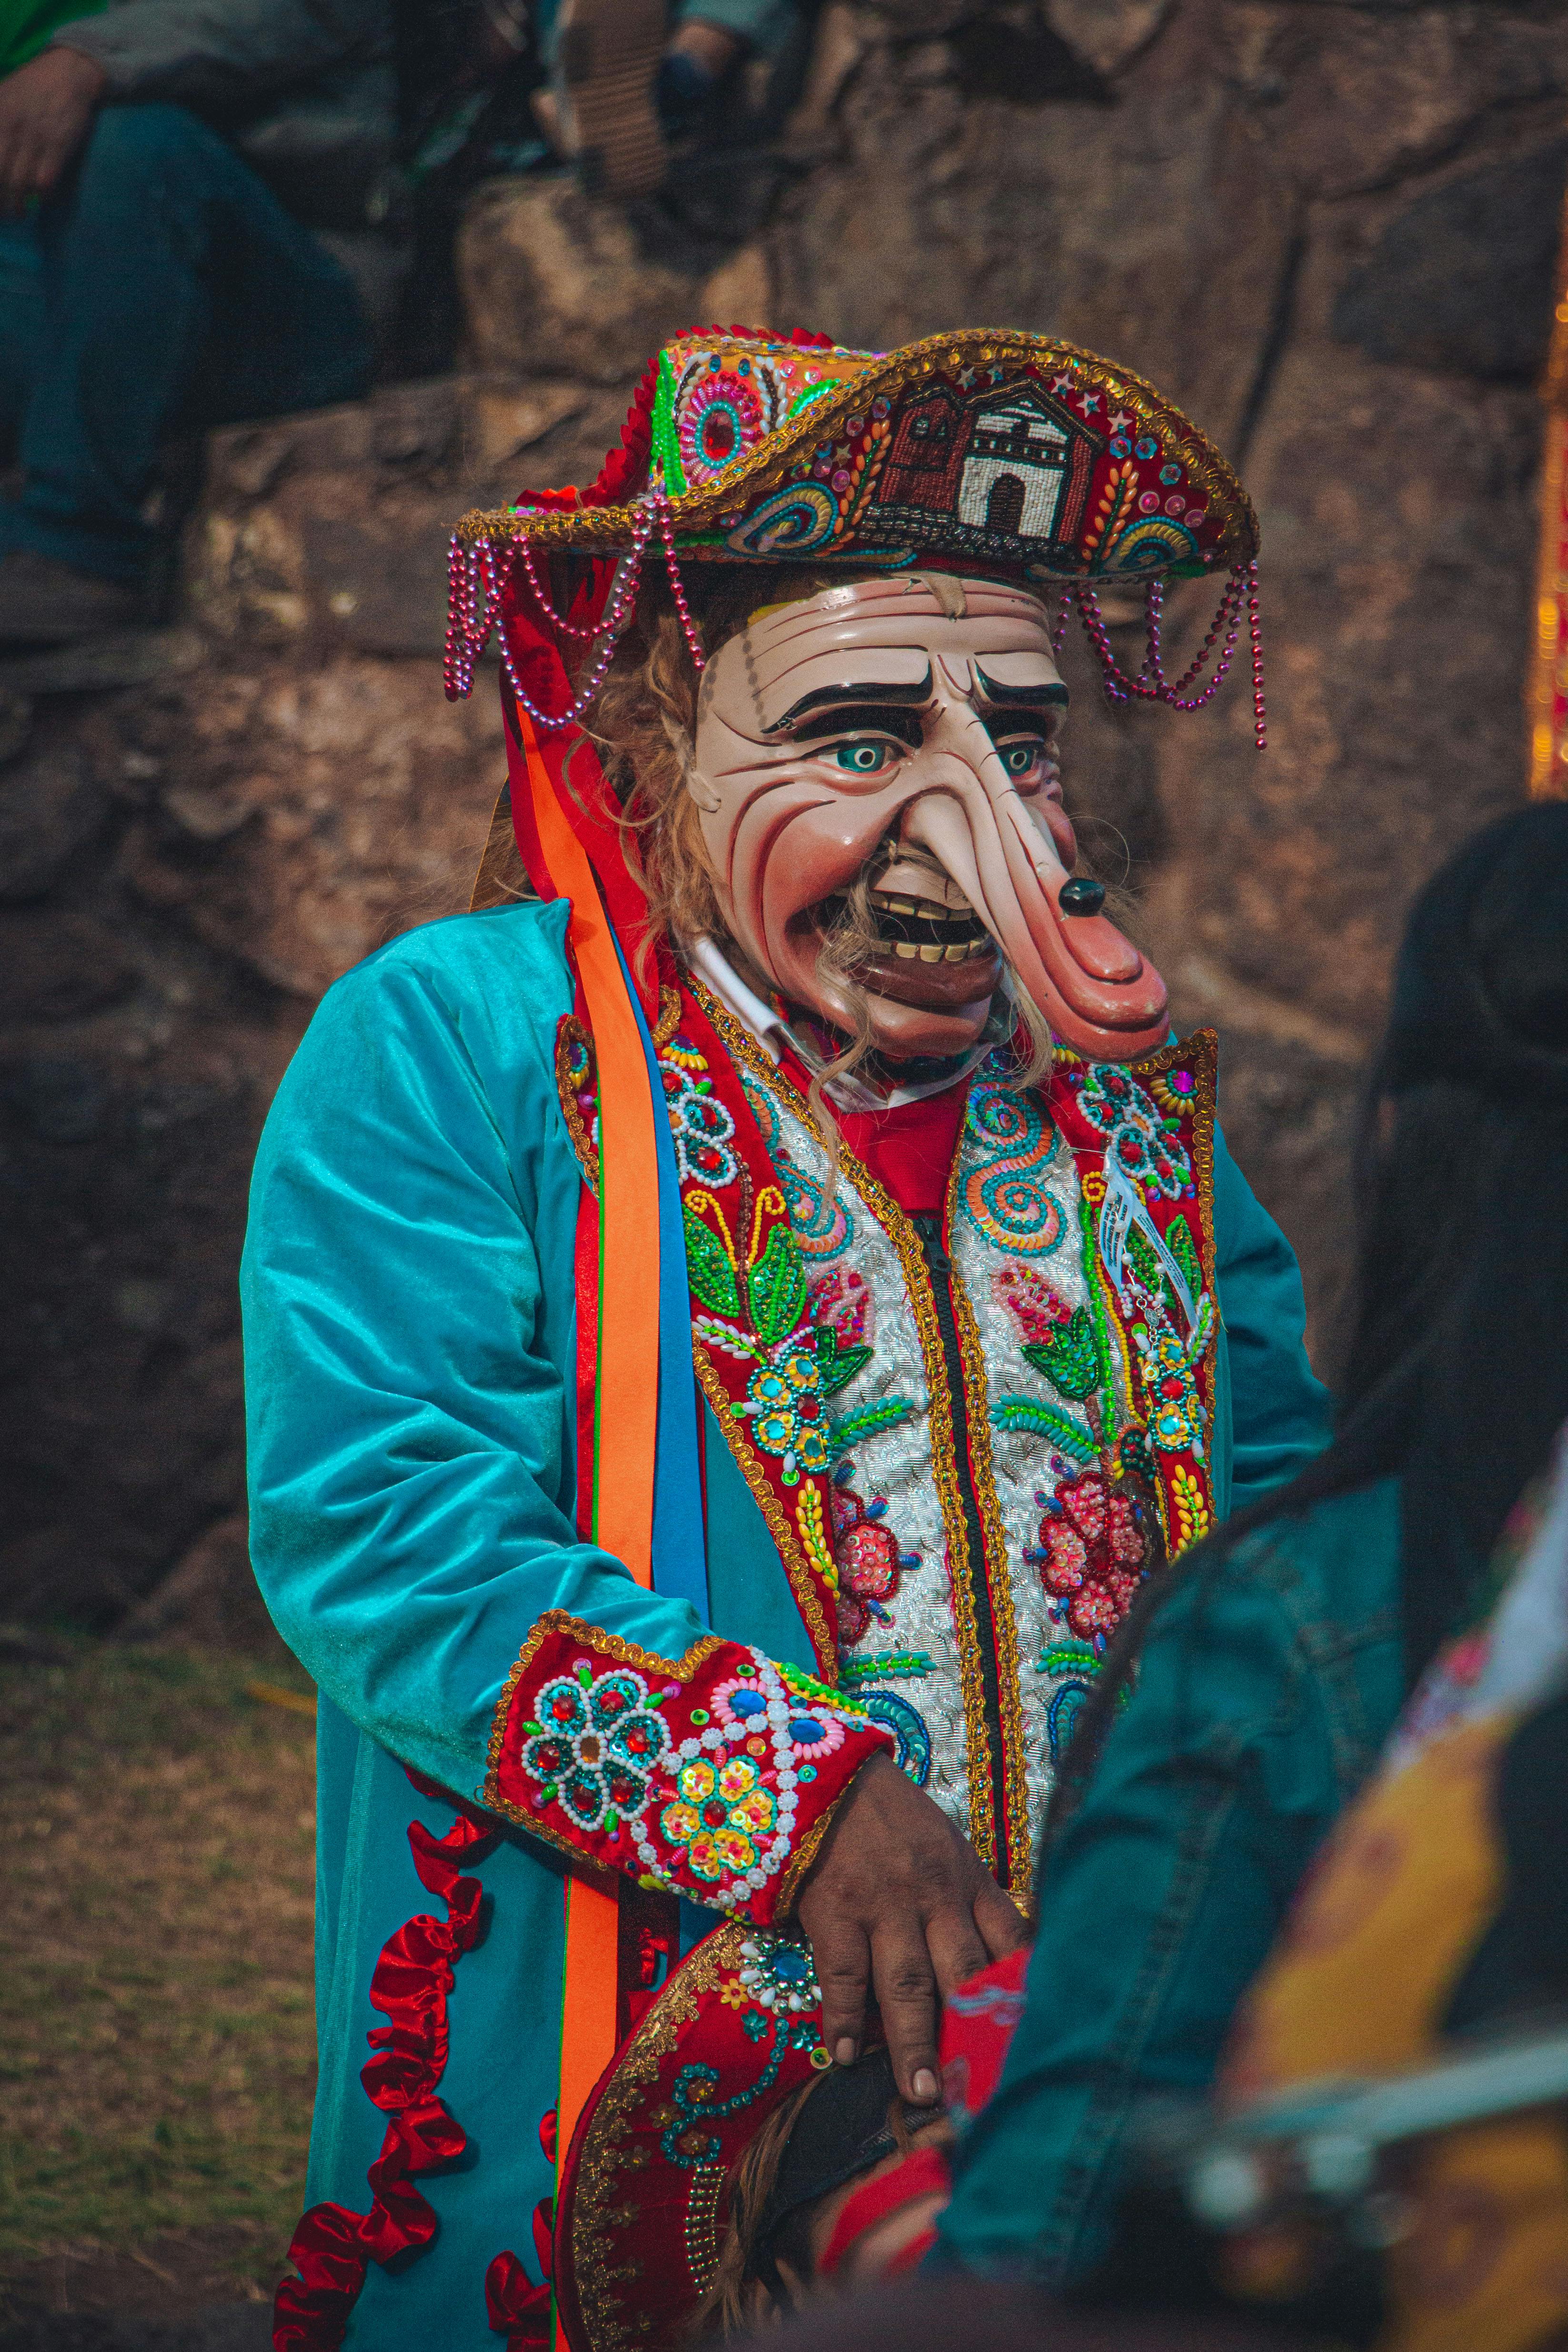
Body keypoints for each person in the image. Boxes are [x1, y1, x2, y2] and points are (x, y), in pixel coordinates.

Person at [241, 321, 1330, 2348]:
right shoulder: (465, 1046)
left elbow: (1276, 1518)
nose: (975, 826)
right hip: (640, 2060)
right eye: (853, 741)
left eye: (1018, 741)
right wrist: (800, 1796)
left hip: (1078, 2065)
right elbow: (381, 1525)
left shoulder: (1119, 1105)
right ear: (658, 753)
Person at [930, 802, 1568, 2294]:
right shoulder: (473, 1042)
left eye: (1026, 750)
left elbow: (1062, 2215)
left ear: (1404, 1136)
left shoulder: (1299, 1629)